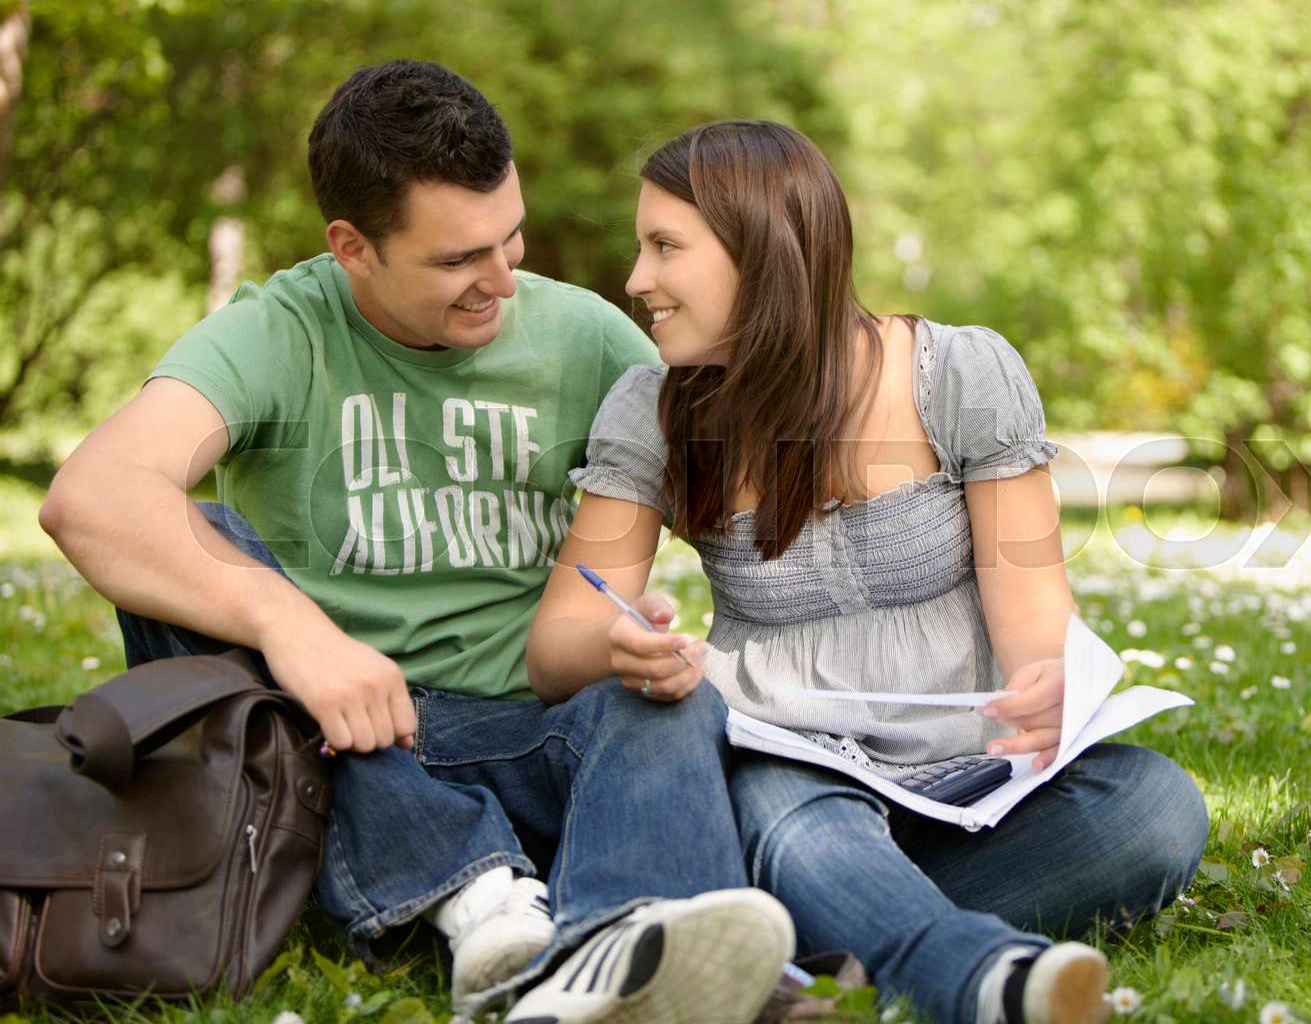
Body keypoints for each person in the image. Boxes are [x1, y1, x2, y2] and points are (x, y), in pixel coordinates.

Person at [38, 63, 795, 1024]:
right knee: (197, 549)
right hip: (330, 755)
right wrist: (293, 629)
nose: (500, 280)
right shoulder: (278, 332)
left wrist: (621, 629)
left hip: (528, 732)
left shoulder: (587, 340)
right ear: (352, 247)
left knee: (664, 702)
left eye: (508, 236)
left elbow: (748, 513)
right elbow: (93, 497)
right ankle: (482, 901)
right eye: (455, 262)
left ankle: (615, 955)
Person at [524, 120, 1210, 1024]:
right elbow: (555, 648)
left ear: (760, 253)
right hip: (798, 774)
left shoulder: (958, 375)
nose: (635, 279)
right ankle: (967, 973)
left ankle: (824, 940)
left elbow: (1037, 613)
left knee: (1152, 806)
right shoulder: (653, 411)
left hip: (972, 783)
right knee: (791, 814)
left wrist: (1052, 682)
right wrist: (618, 646)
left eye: (664, 247)